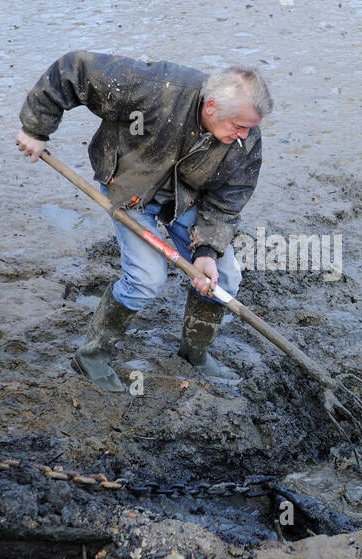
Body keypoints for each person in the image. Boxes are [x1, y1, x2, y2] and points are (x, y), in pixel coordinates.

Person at [14, 52, 271, 392]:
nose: (243, 136)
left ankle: (194, 352)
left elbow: (228, 200)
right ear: (211, 107)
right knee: (147, 279)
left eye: (249, 128)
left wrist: (206, 250)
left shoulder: (245, 138)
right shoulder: (154, 87)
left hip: (184, 194)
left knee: (224, 276)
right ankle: (91, 356)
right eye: (238, 126)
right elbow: (73, 69)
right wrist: (36, 128)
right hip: (130, 186)